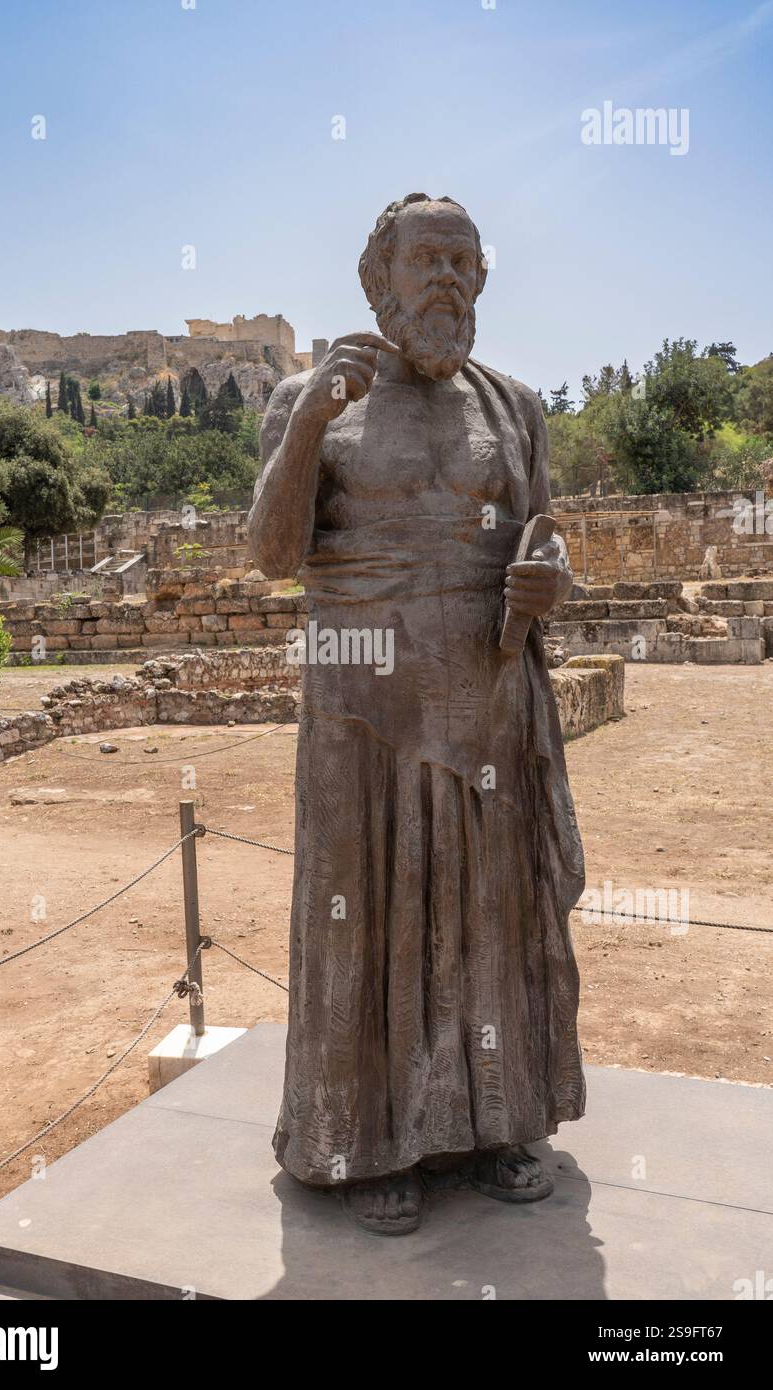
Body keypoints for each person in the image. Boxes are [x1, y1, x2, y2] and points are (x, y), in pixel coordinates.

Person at [248, 193, 585, 1235]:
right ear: (377, 278)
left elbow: (541, 545)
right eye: (426, 259)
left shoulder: (512, 406)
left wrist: (549, 583)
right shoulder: (313, 397)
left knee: (488, 922)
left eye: (463, 263)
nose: (446, 278)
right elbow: (270, 555)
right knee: (368, 917)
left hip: (484, 701)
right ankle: (363, 1141)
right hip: (362, 710)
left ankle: (494, 1121)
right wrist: (307, 421)